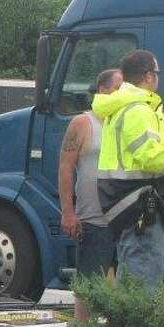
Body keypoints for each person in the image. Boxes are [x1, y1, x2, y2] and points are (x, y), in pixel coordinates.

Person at [94, 49, 164, 288]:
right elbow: (149, 157)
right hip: (140, 205)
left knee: (131, 276)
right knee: (143, 282)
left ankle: (127, 324)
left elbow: (143, 156)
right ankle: (138, 326)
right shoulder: (138, 109)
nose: (158, 78)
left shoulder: (121, 106)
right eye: (157, 73)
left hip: (125, 203)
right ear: (147, 76)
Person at [58, 68, 122, 280]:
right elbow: (65, 167)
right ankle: (84, 316)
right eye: (117, 89)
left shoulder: (125, 123)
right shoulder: (83, 123)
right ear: (102, 90)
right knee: (90, 288)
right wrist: (68, 213)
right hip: (93, 221)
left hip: (124, 219)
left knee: (121, 288)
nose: (122, 95)